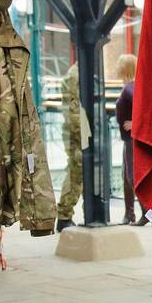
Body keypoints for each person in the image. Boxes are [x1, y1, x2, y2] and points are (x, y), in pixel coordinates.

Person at [113, 53, 149, 226]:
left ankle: (147, 213)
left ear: (124, 69)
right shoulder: (131, 86)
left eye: (118, 65)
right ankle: (130, 214)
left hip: (133, 139)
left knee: (132, 176)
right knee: (126, 176)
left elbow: (145, 109)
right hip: (129, 139)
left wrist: (136, 124)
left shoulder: (130, 88)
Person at [57, 62, 83, 231]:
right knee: (75, 174)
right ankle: (64, 215)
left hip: (79, 130)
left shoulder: (78, 73)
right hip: (78, 133)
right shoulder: (75, 76)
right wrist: (83, 136)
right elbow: (74, 111)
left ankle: (66, 214)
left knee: (78, 174)